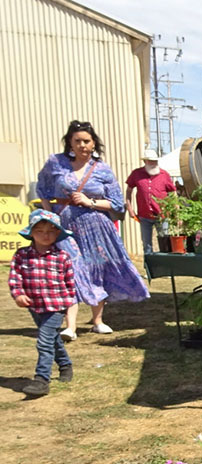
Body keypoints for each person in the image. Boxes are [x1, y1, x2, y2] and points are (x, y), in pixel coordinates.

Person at [36, 120, 149, 339]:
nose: (82, 145)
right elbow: (42, 188)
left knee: (97, 270)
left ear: (94, 143)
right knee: (71, 270)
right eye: (77, 140)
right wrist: (50, 215)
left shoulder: (102, 170)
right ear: (69, 142)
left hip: (97, 227)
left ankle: (97, 320)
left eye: (86, 141)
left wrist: (90, 202)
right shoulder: (55, 163)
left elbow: (116, 203)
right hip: (65, 228)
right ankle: (71, 326)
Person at [7, 210, 77, 398]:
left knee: (44, 341)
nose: (45, 235)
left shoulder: (62, 256)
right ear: (31, 233)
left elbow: (70, 283)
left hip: (56, 306)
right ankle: (65, 365)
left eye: (50, 231)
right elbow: (15, 278)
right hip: (35, 305)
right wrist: (18, 295)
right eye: (40, 231)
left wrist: (67, 302)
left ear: (57, 234)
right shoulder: (22, 255)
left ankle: (41, 380)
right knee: (53, 339)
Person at [125, 148, 176, 255]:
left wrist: (175, 210)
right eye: (151, 161)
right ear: (145, 161)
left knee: (165, 243)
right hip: (144, 215)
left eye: (155, 161)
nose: (153, 163)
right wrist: (130, 209)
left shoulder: (164, 174)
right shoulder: (136, 174)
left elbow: (173, 193)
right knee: (147, 245)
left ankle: (165, 268)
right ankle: (149, 269)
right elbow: (128, 191)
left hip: (162, 216)